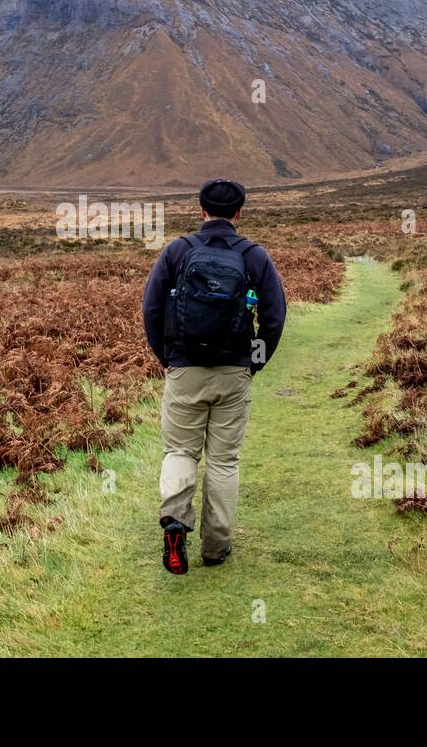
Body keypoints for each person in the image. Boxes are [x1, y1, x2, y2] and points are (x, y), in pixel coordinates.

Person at [141, 178, 287, 574]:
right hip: (233, 370)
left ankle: (175, 521)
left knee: (180, 452)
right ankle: (216, 547)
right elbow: (273, 318)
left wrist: (166, 357)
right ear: (240, 213)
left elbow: (151, 309)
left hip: (184, 369)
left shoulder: (177, 251)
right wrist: (254, 361)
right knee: (223, 461)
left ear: (200, 209)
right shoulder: (254, 256)